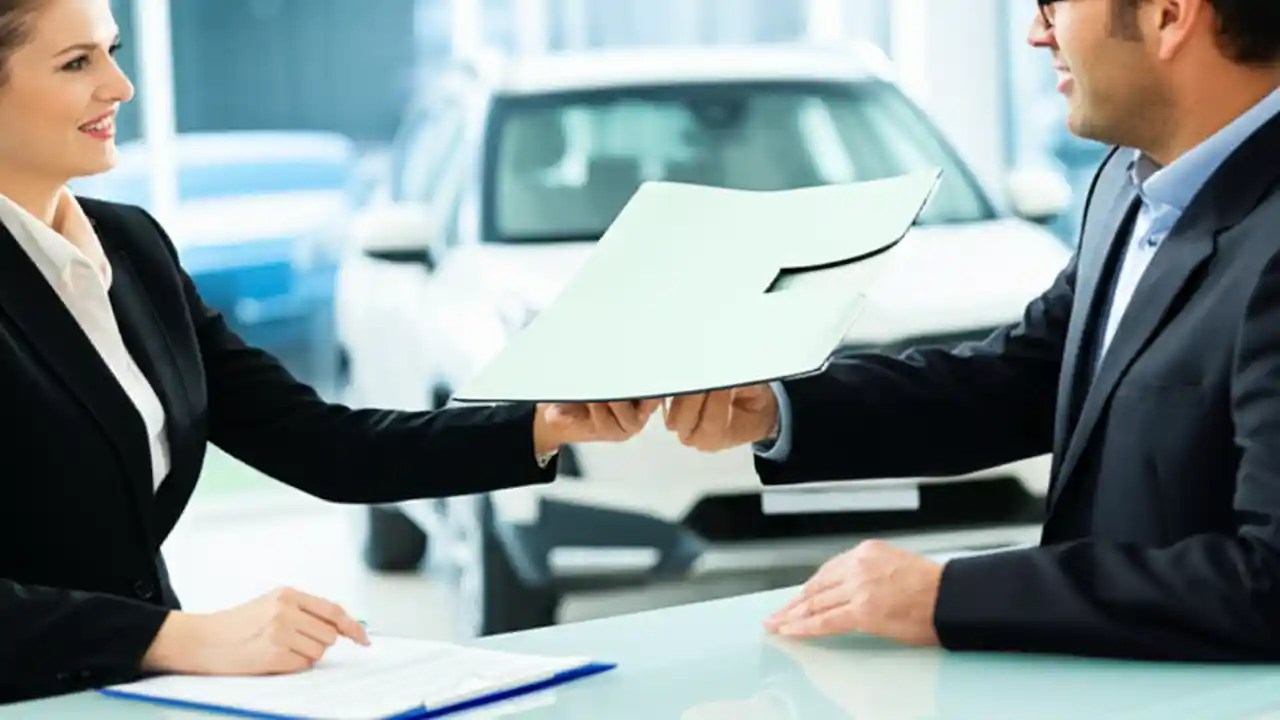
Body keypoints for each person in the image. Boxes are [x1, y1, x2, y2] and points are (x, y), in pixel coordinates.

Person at [0, 0, 659, 703]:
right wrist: (176, 637)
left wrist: (538, 426)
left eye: (112, 50)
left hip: (135, 693)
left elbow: (319, 442)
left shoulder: (132, 248)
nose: (121, 86)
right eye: (77, 63)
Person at [666, 0, 1280, 659]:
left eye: (1055, 4)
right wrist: (778, 409)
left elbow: (1268, 584)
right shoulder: (1130, 184)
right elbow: (1031, 374)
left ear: (1168, 15)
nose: (1036, 32)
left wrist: (950, 595)